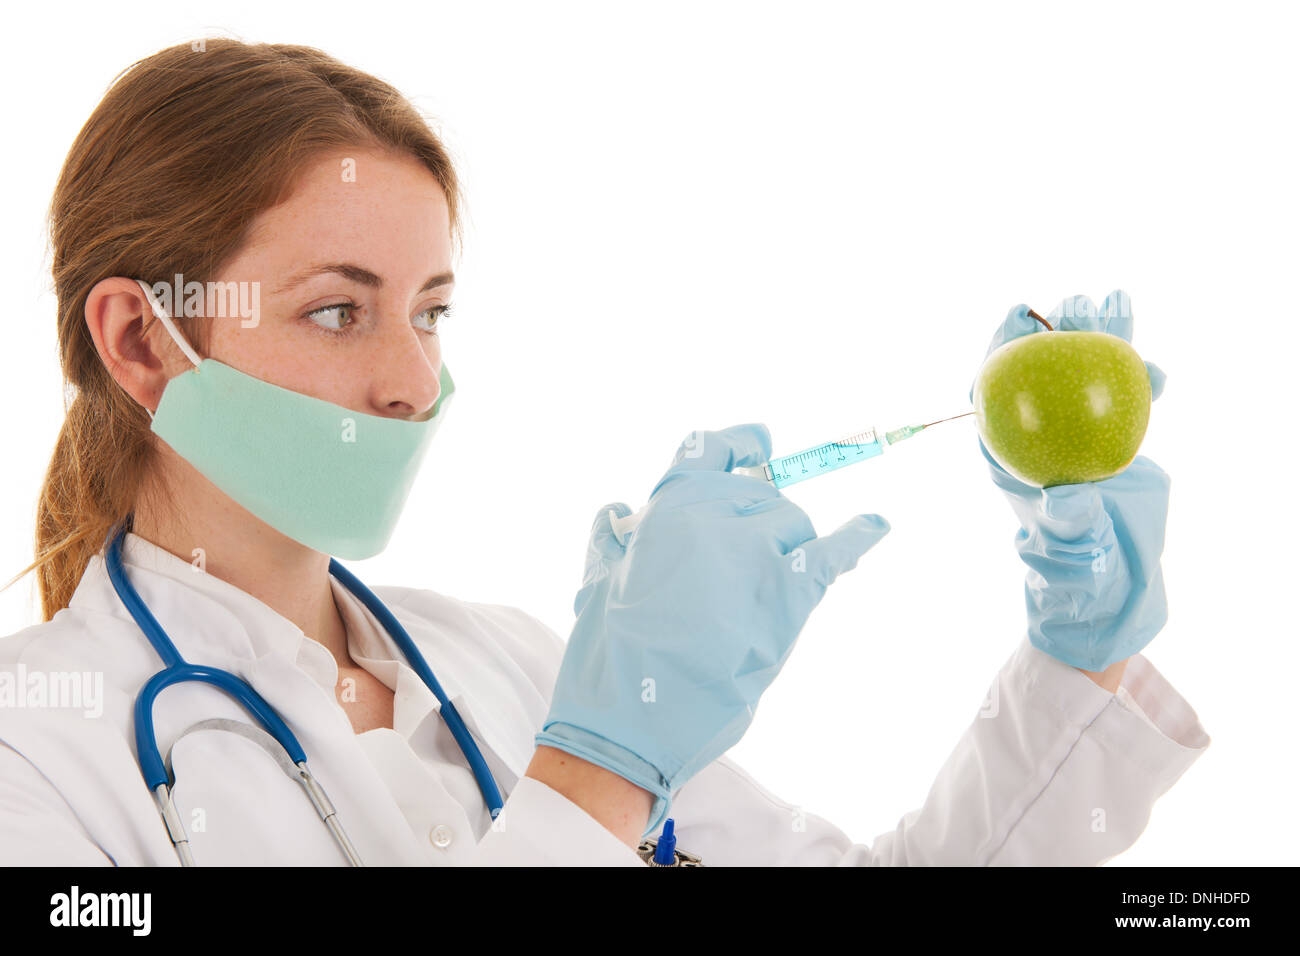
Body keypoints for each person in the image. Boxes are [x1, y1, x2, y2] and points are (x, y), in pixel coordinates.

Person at [0, 38, 1208, 866]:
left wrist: (1071, 662)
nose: (415, 382)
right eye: (336, 309)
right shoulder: (35, 751)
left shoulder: (507, 664)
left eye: (430, 311)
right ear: (140, 339)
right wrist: (596, 772)